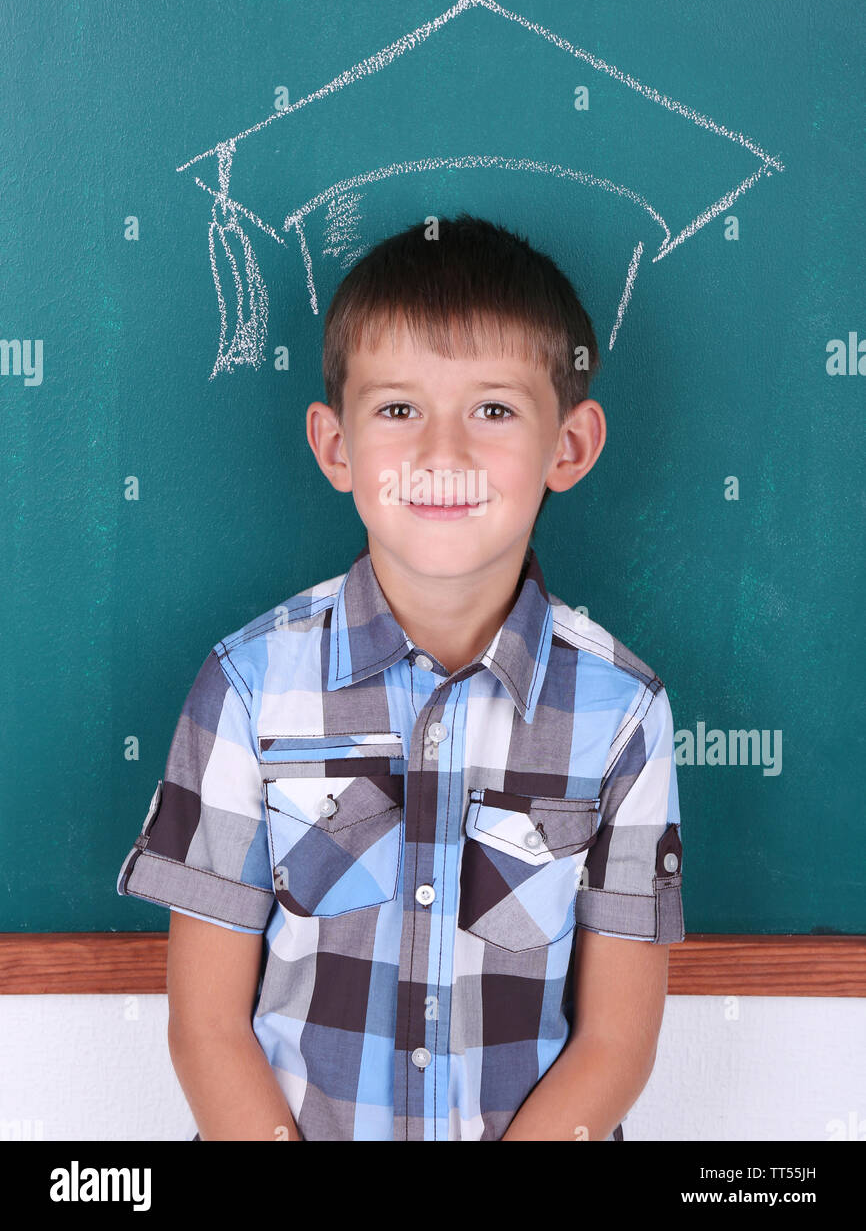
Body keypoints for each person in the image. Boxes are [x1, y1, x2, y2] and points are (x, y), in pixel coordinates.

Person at [117, 212, 684, 1141]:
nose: (442, 454)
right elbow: (207, 1027)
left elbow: (617, 1041)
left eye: (493, 409)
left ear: (570, 446)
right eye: (397, 408)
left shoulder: (623, 713)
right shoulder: (251, 688)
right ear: (337, 446)